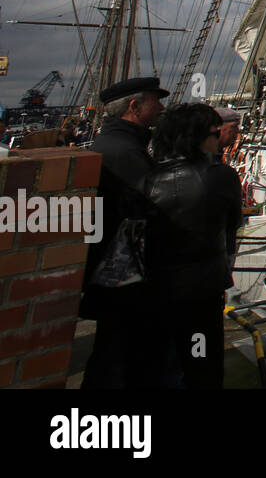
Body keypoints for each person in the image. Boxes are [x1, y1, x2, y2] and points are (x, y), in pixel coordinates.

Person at [145, 103, 242, 388]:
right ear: (198, 137)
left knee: (163, 362)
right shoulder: (221, 177)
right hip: (202, 291)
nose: (219, 140)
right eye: (215, 133)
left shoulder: (146, 179)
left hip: (157, 289)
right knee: (201, 360)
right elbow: (231, 227)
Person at [80, 76, 168, 389]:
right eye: (155, 101)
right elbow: (154, 213)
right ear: (134, 107)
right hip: (126, 281)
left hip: (116, 279)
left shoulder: (115, 146)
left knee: (111, 354)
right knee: (120, 360)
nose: (161, 107)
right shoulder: (127, 155)